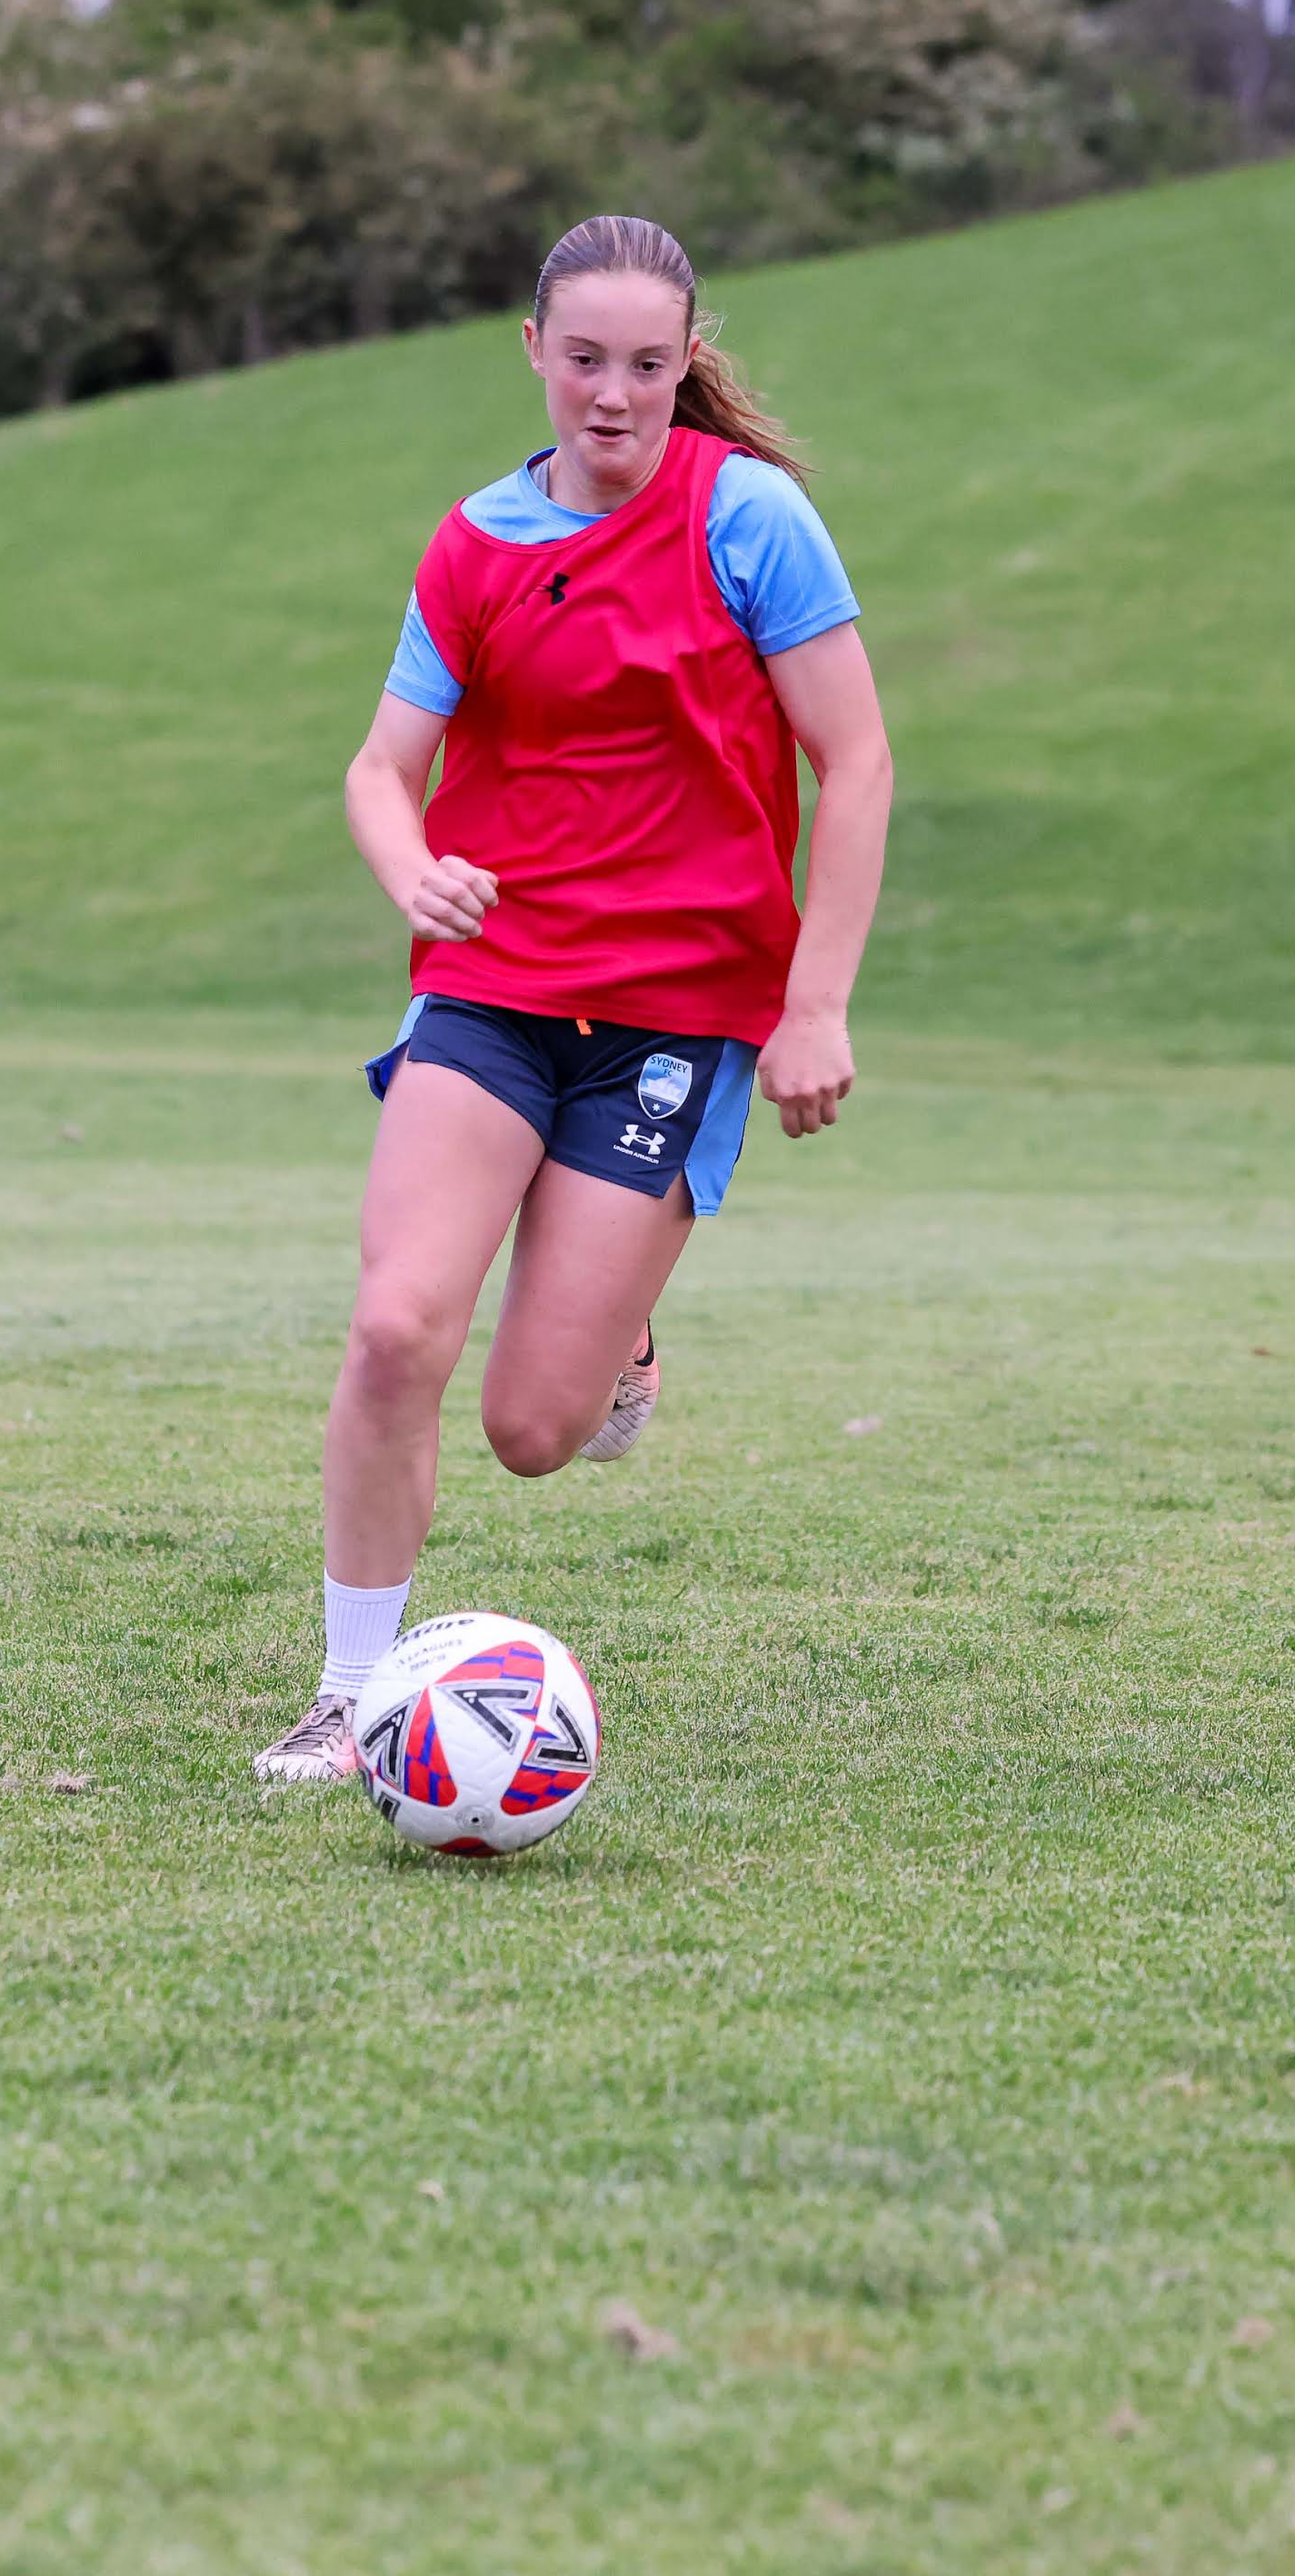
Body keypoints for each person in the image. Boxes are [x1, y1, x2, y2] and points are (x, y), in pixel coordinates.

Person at [254, 214, 897, 1784]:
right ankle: (348, 1695)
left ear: (686, 364)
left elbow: (857, 759)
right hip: (493, 985)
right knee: (394, 1327)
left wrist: (814, 1006)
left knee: (533, 1431)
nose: (613, 395)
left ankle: (619, 1337)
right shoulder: (475, 543)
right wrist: (411, 869)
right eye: (587, 360)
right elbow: (380, 768)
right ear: (534, 351)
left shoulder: (747, 519)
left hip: (678, 1015)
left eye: (648, 366)